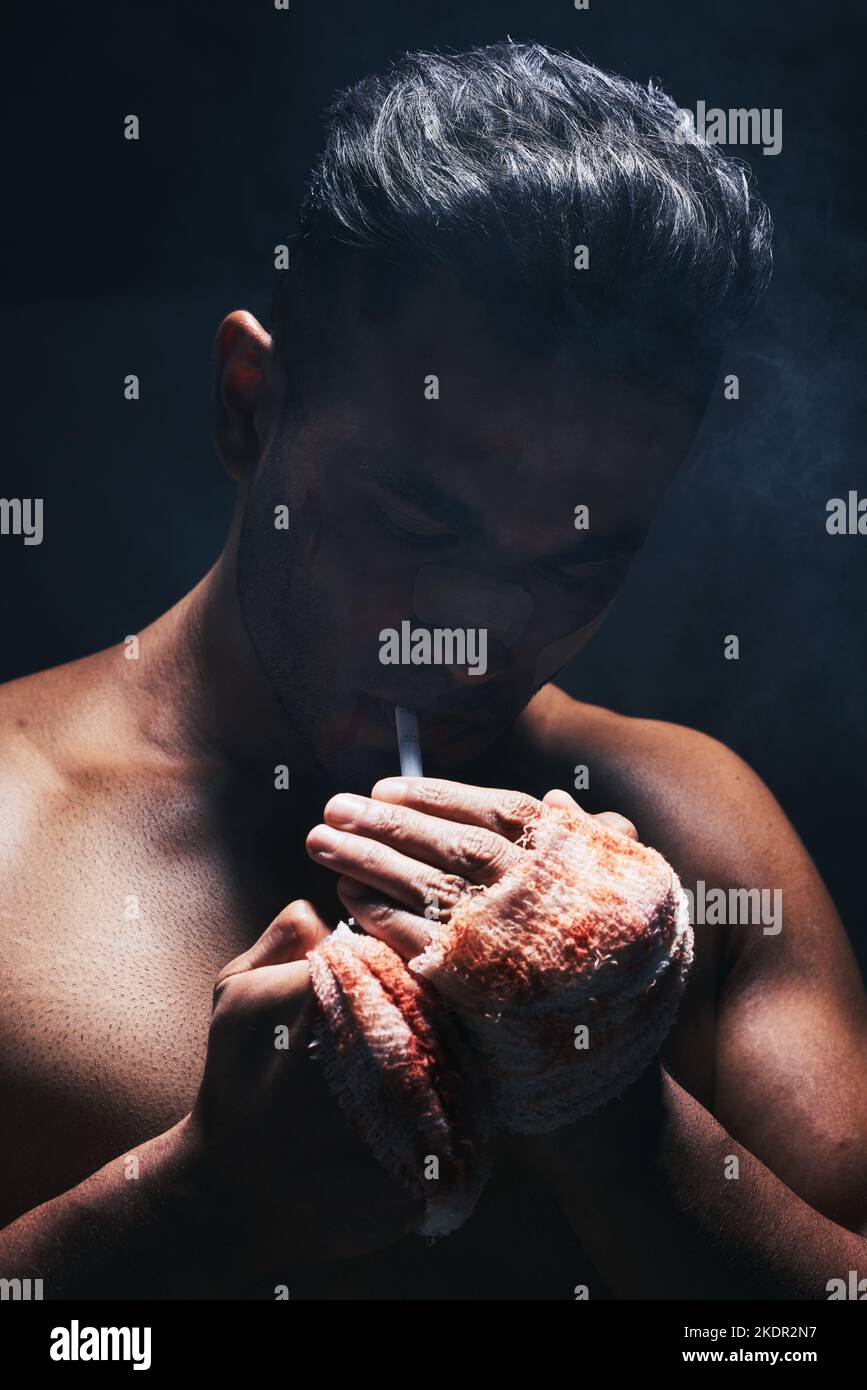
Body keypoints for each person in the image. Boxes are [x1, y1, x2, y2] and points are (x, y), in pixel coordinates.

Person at [1, 42, 865, 1300]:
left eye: (579, 561)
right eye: (419, 528)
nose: (482, 628)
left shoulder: (705, 831)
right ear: (251, 406)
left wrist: (622, 1135)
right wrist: (190, 1209)